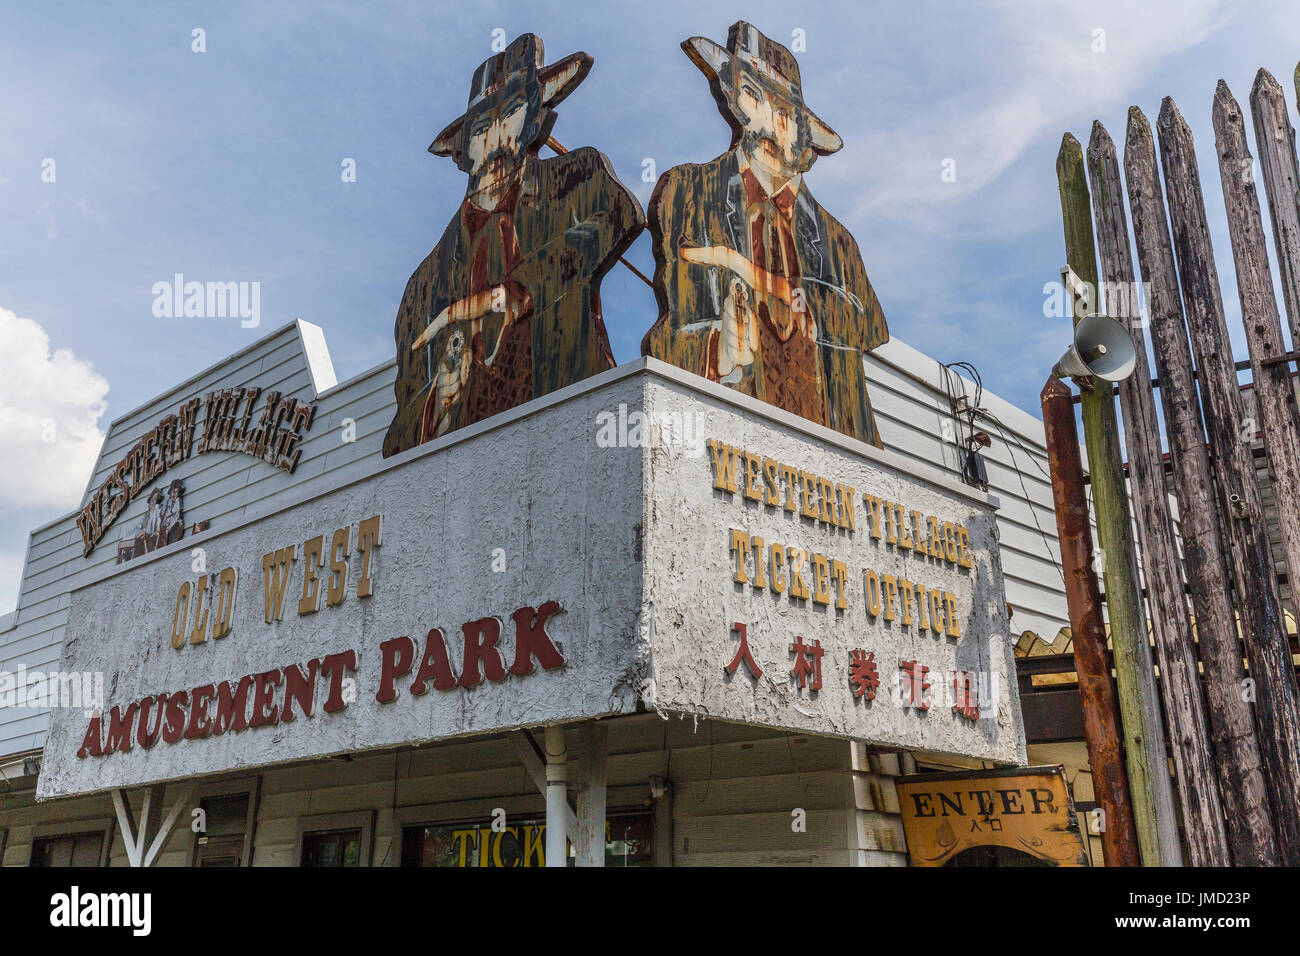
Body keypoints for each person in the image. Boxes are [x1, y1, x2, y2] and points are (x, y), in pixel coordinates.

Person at [383, 33, 644, 456]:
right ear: (462, 149)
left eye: (514, 112)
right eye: (484, 125)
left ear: (534, 119)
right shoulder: (423, 288)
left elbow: (619, 214)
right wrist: (438, 402)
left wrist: (515, 292)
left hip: (574, 434)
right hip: (463, 472)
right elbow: (402, 427)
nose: (500, 133)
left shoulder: (577, 181)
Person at [642, 21, 890, 446]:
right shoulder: (687, 193)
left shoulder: (840, 245)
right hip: (727, 446)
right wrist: (717, 351)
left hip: (831, 461)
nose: (768, 127)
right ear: (732, 98)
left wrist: (752, 273)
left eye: (784, 116)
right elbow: (676, 324)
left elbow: (864, 325)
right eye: (752, 99)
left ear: (805, 136)